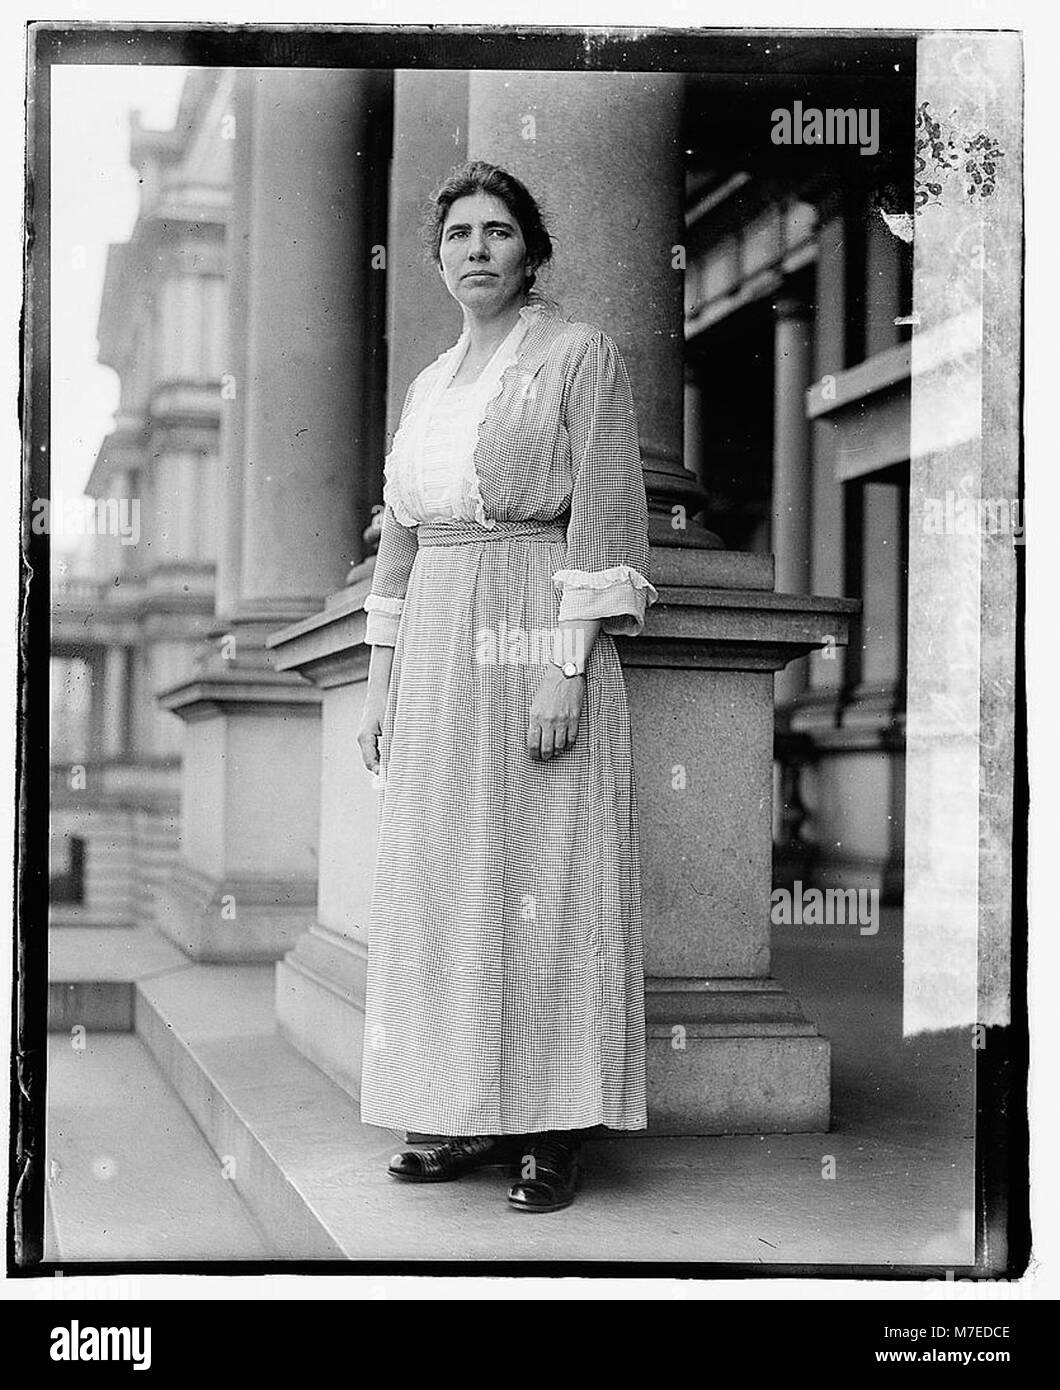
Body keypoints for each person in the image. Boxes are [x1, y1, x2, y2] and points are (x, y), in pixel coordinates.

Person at [356, 160, 658, 1214]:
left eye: (496, 232)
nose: (475, 249)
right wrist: (383, 681)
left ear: (531, 251)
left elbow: (606, 516)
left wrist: (564, 667)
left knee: (546, 872)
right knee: (444, 875)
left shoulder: (579, 357)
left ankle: (551, 1127)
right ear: (438, 259)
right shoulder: (429, 388)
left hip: (535, 622)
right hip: (438, 634)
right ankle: (456, 1108)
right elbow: (399, 543)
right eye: (457, 236)